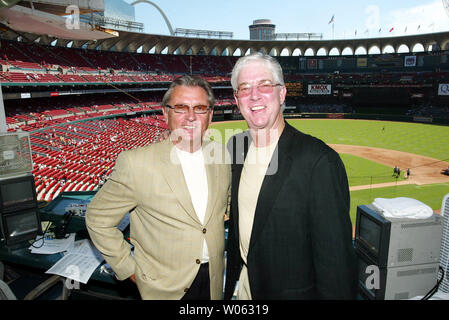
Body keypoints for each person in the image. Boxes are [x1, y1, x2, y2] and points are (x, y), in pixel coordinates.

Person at [223, 52, 357, 300]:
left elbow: (336, 265)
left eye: (265, 85)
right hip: (241, 290)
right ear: (236, 99)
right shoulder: (235, 147)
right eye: (244, 88)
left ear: (282, 93)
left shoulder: (319, 161)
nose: (254, 95)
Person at [85, 75, 231, 300]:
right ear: (165, 112)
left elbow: (225, 204)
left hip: (212, 279)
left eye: (200, 108)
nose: (191, 117)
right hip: (163, 288)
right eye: (181, 107)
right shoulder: (135, 163)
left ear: (210, 115)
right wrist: (129, 269)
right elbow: (97, 219)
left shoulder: (222, 155)